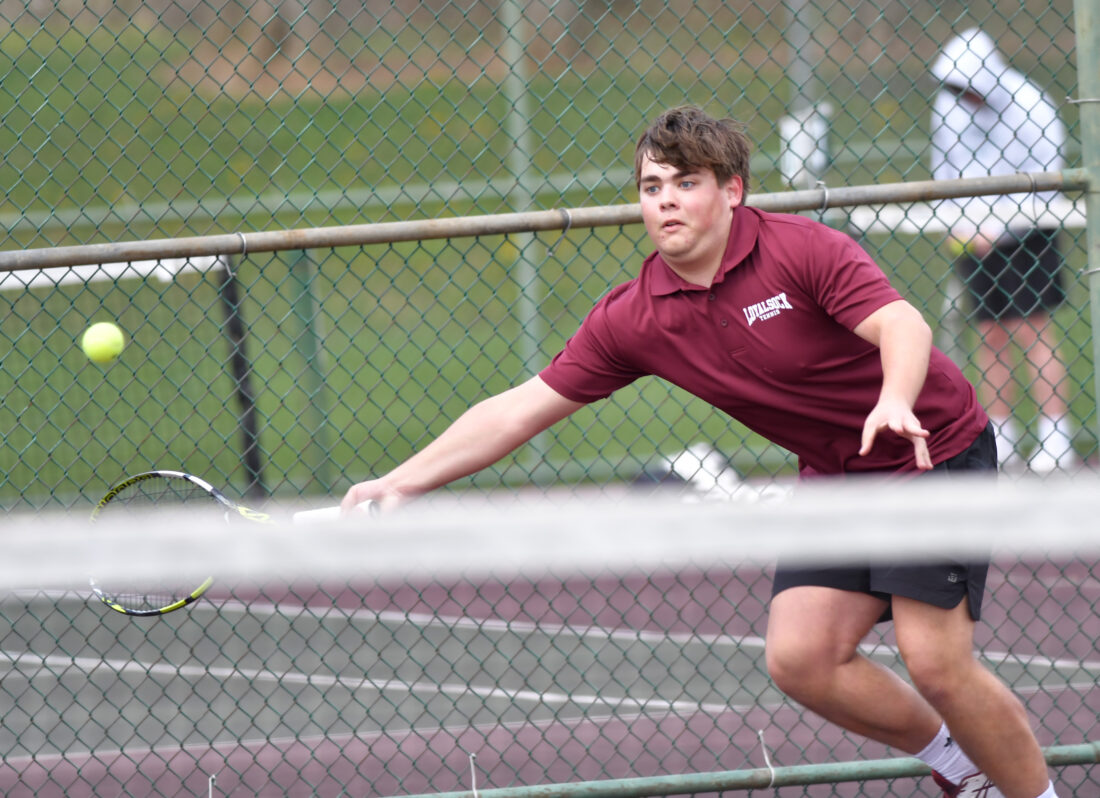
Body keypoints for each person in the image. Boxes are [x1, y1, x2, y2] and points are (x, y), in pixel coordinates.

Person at [342, 106, 1060, 798]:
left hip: (927, 453)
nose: (666, 202)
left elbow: (902, 323)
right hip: (839, 478)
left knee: (935, 662)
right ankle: (963, 767)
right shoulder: (636, 317)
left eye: (686, 183)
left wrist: (895, 397)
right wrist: (402, 482)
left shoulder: (802, 249)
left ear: (732, 191)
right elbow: (519, 409)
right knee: (801, 659)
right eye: (652, 187)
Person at [930, 28, 1074, 474]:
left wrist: (1004, 222)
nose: (962, 96)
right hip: (974, 240)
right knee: (991, 335)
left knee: (1032, 331)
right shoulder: (948, 108)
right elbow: (944, 173)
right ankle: (1001, 434)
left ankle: (1056, 435)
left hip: (1030, 236)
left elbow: (1049, 177)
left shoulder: (1031, 105)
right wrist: (964, 222)